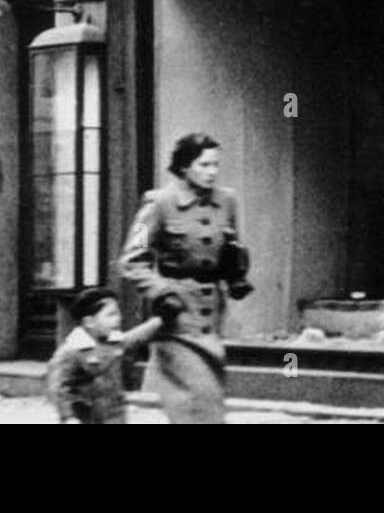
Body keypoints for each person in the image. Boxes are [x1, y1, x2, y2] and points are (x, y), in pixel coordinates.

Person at [120, 133, 252, 424]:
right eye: (204, 165)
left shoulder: (227, 201)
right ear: (184, 166)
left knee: (209, 399)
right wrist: (160, 292)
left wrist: (235, 274)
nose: (212, 172)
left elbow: (231, 249)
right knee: (196, 399)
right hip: (176, 316)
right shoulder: (158, 204)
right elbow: (132, 259)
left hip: (212, 318)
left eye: (216, 165)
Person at [46, 287, 162, 424]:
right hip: (85, 417)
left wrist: (159, 321)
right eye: (111, 315)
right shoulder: (71, 350)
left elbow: (135, 337)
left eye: (118, 313)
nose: (118, 319)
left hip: (114, 415)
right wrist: (68, 416)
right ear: (89, 322)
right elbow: (58, 387)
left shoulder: (113, 342)